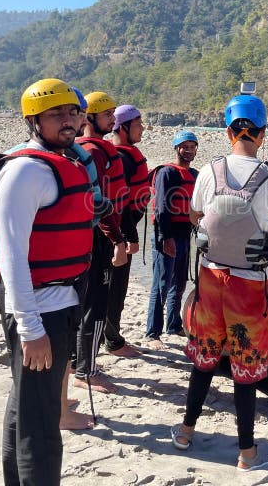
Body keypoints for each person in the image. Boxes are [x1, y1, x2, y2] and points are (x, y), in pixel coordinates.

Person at [171, 93, 268, 472]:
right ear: (262, 134)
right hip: (249, 287)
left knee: (204, 360)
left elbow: (196, 215)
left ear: (228, 132)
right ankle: (247, 454)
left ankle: (184, 431)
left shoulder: (209, 172)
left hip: (211, 279)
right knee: (246, 368)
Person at [0, 78, 94, 485]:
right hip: (38, 309)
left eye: (73, 112)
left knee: (25, 408)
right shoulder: (27, 170)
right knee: (42, 425)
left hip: (56, 303)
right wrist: (31, 327)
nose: (68, 121)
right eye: (55, 114)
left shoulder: (61, 161)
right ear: (33, 121)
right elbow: (10, 256)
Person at [73, 90, 130, 393]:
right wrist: (117, 239)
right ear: (91, 117)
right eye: (108, 115)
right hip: (98, 236)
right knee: (95, 304)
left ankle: (77, 362)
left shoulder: (83, 149)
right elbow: (98, 202)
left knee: (83, 302)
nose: (113, 120)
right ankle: (87, 370)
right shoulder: (93, 151)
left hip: (89, 235)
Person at [145, 130, 199, 350]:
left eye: (192, 146)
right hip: (166, 234)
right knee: (161, 283)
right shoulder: (167, 173)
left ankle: (173, 324)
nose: (189, 150)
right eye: (185, 146)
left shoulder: (195, 174)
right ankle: (152, 332)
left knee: (179, 283)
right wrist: (166, 238)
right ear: (177, 148)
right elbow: (162, 208)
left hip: (185, 233)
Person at [105, 104, 150, 357]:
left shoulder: (126, 155)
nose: (142, 128)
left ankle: (111, 336)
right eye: (138, 124)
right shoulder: (121, 158)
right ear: (122, 127)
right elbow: (118, 203)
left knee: (115, 287)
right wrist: (127, 238)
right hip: (119, 234)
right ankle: (112, 341)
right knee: (115, 288)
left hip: (121, 231)